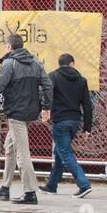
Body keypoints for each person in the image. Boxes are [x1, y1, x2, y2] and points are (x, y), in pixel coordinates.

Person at [0, 34, 52, 205]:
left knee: (22, 153)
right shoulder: (36, 62)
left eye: (5, 47)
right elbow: (47, 84)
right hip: (30, 112)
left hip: (15, 113)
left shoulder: (10, 63)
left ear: (9, 47)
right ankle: (5, 188)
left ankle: (30, 192)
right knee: (10, 148)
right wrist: (46, 107)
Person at [40, 53, 94, 198]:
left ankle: (83, 184)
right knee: (60, 152)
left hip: (60, 121)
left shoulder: (54, 76)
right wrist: (87, 128)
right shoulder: (82, 80)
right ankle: (52, 185)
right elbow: (87, 105)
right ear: (72, 64)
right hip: (75, 121)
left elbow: (48, 95)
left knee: (65, 153)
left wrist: (46, 111)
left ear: (59, 64)